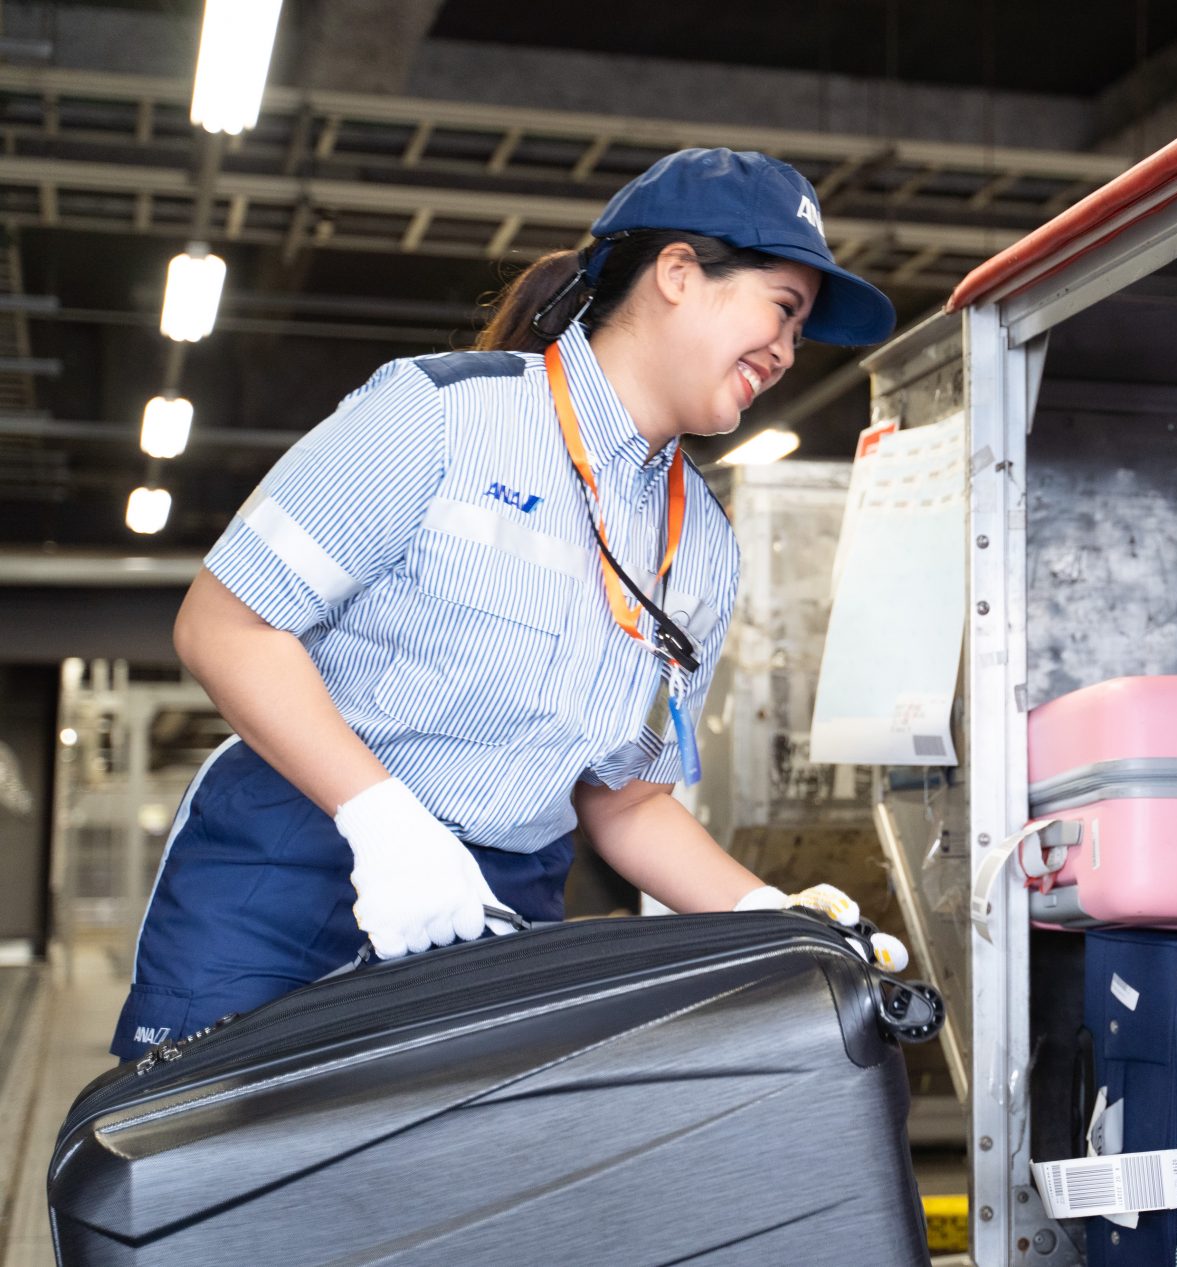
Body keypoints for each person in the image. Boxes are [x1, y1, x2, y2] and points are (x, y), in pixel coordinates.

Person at [111, 148, 902, 1060]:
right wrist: (384, 821)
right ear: (679, 274)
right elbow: (225, 624)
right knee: (220, 1184)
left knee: (455, 1198)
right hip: (295, 863)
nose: (789, 351)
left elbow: (626, 800)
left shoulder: (701, 548)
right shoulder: (442, 415)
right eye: (784, 309)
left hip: (498, 899)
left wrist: (771, 917)